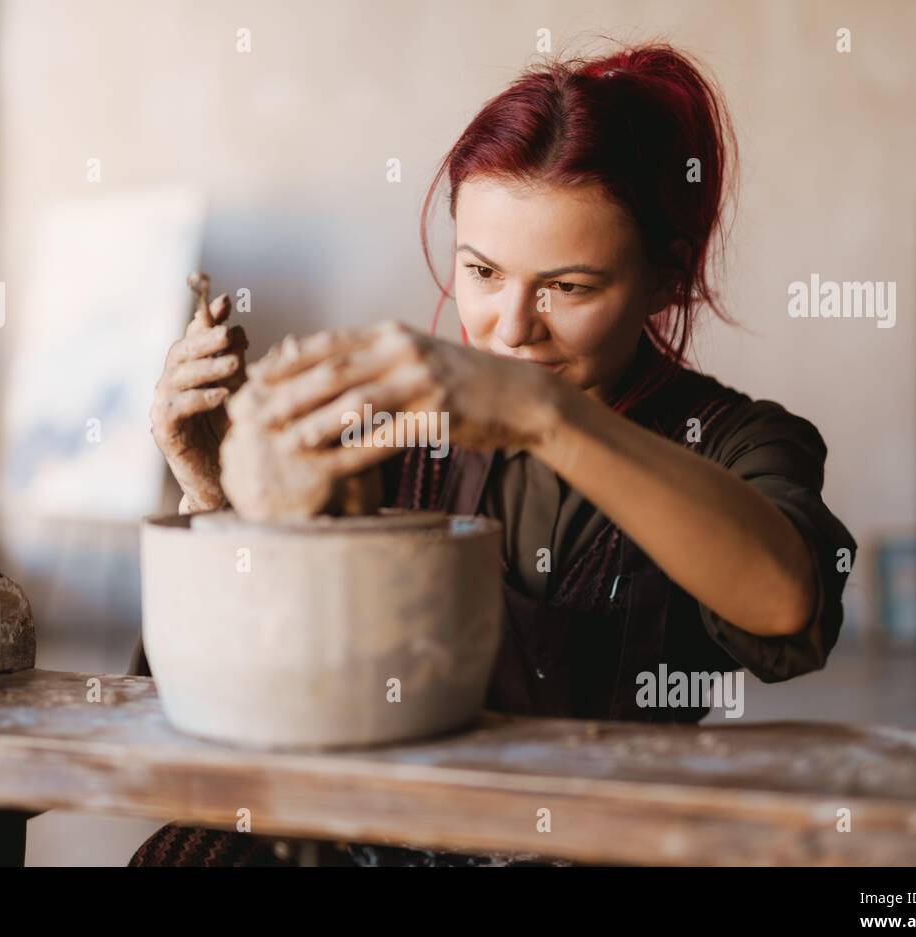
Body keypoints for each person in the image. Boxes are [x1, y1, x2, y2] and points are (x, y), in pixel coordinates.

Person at [132, 42, 857, 867]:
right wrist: (214, 494)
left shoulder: (737, 442)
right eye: (482, 271)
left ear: (667, 279)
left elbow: (785, 600)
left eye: (570, 288)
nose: (513, 327)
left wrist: (541, 414)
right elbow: (248, 684)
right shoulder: (390, 424)